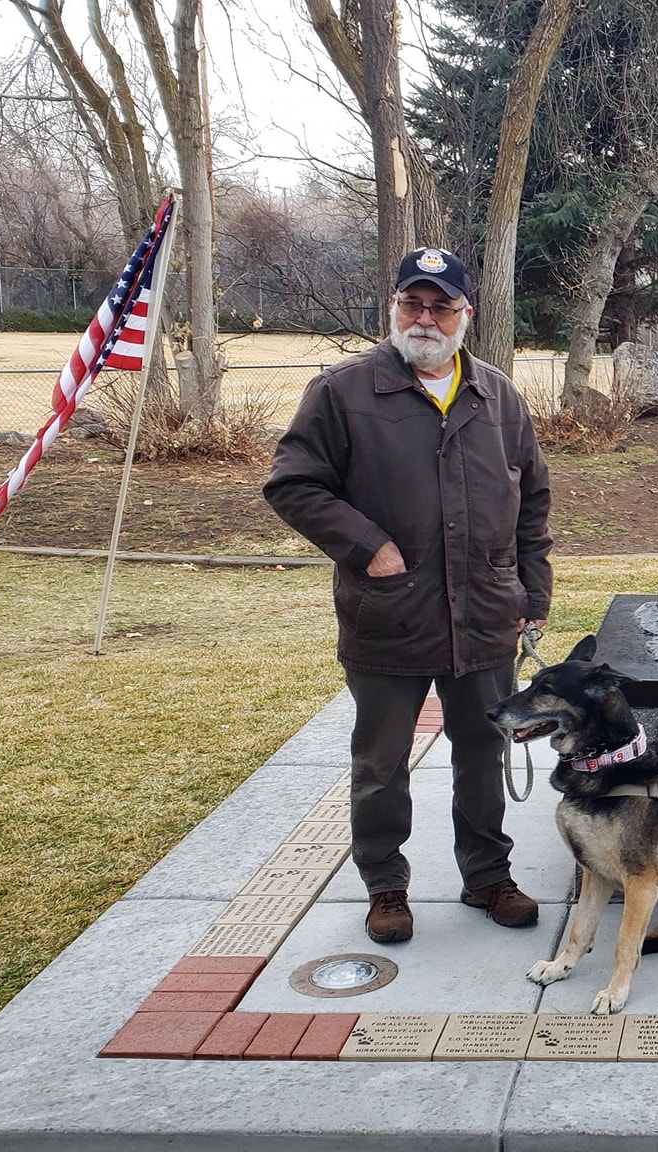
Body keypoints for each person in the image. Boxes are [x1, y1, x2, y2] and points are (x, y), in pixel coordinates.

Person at [265, 246, 553, 944]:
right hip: (388, 614)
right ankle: (385, 886)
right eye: (412, 303)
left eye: (440, 305)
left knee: (484, 752)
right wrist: (370, 546)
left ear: (466, 315)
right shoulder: (343, 391)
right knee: (381, 762)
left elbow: (532, 504)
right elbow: (292, 485)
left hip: (485, 614)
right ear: (394, 306)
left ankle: (488, 874)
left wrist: (532, 593)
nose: (425, 318)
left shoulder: (498, 396)